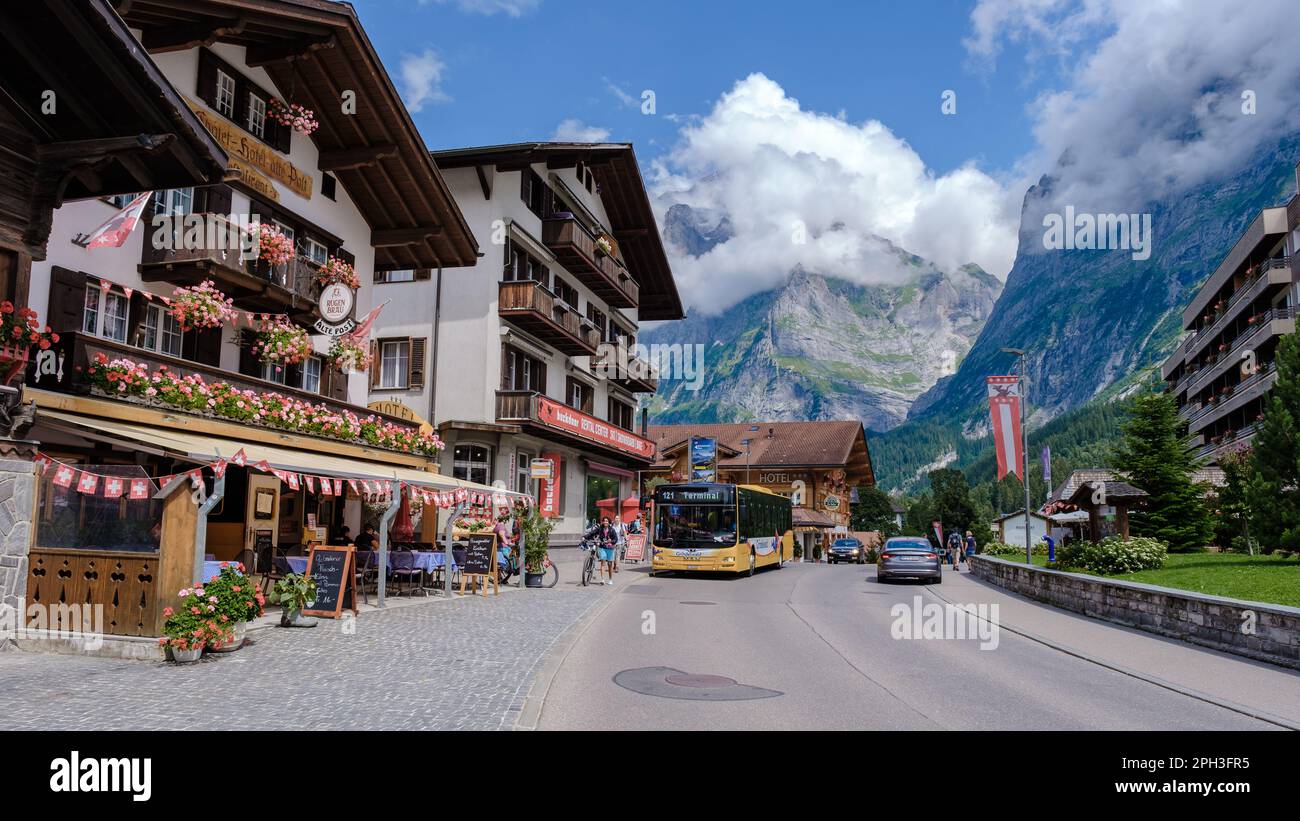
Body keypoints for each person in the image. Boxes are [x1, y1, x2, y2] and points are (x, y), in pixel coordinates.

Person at [589, 516, 618, 586]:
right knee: (603, 563)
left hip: (610, 548)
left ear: (609, 522)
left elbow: (616, 539)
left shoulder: (612, 530)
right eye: (604, 521)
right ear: (603, 522)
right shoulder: (600, 529)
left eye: (607, 521)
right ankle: (602, 579)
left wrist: (611, 541)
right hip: (603, 547)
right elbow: (592, 533)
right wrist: (585, 536)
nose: (605, 522)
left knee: (610, 564)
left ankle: (610, 579)